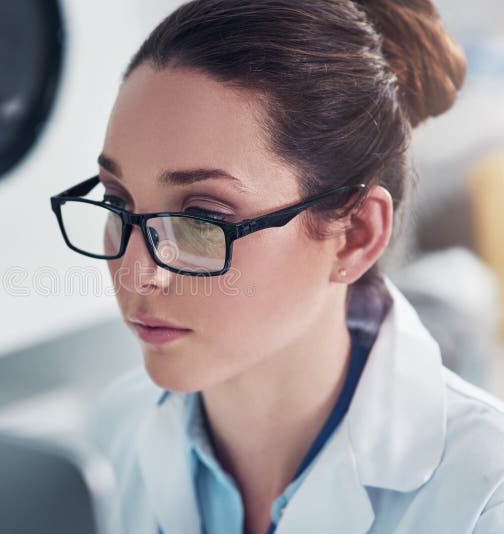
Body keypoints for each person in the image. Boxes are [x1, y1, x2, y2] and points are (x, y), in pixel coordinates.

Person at [49, 1, 504, 532]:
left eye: (200, 220)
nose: (136, 273)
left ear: (355, 235)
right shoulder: (113, 434)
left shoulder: (483, 496)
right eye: (119, 203)